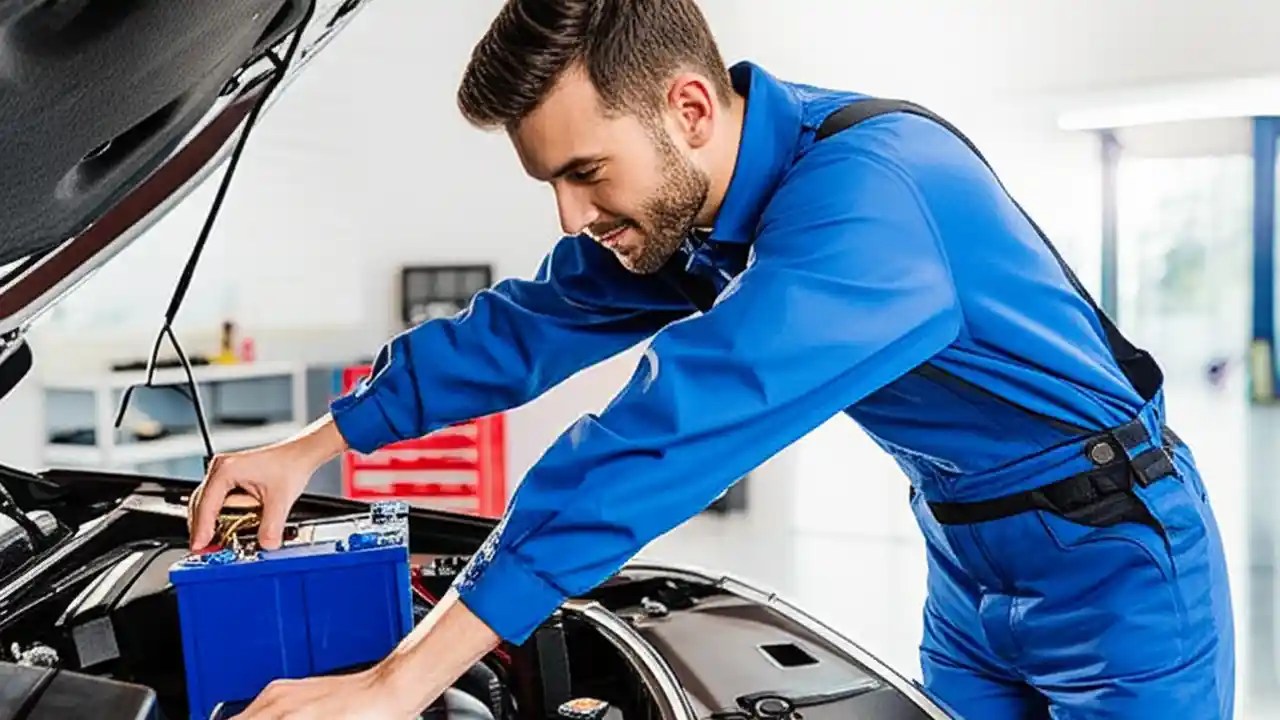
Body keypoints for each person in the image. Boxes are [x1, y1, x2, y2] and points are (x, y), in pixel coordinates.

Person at [191, 1, 1235, 718]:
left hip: (1117, 561)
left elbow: (667, 431)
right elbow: (525, 326)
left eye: (586, 171)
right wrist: (310, 447)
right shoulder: (696, 211)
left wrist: (397, 684)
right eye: (550, 180)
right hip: (964, 558)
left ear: (687, 107)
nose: (570, 214)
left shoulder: (872, 198)